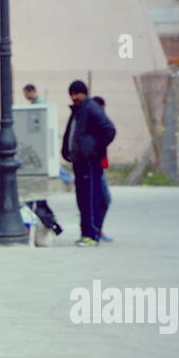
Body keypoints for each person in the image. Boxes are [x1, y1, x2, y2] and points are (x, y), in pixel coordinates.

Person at [60, 80, 116, 247]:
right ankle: (86, 233)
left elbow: (109, 129)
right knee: (83, 199)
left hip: (89, 162)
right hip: (79, 161)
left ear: (84, 93)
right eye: (72, 94)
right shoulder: (78, 111)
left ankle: (92, 235)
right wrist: (66, 151)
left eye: (77, 93)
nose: (74, 97)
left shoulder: (91, 108)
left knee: (91, 199)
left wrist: (95, 149)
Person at [92, 95, 113, 242]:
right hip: (94, 168)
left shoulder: (100, 125)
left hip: (99, 168)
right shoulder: (92, 126)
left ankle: (96, 230)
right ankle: (95, 230)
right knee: (103, 199)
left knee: (102, 200)